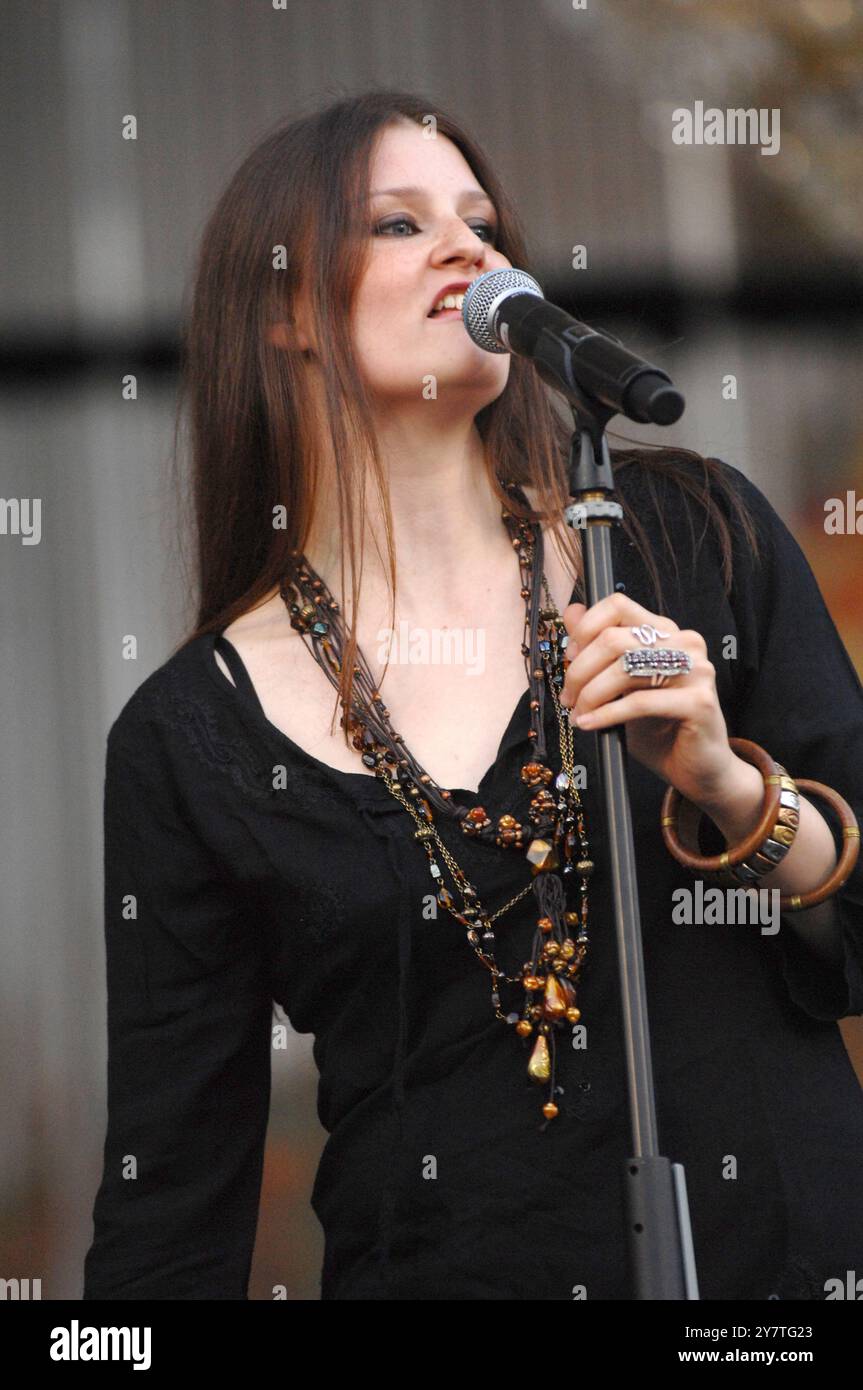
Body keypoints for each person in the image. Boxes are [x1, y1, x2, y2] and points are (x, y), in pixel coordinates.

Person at [82, 90, 863, 1301]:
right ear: (285, 308)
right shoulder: (187, 738)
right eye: (398, 224)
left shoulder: (692, 538)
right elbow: (170, 1206)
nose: (465, 248)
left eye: (482, 224)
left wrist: (724, 782)